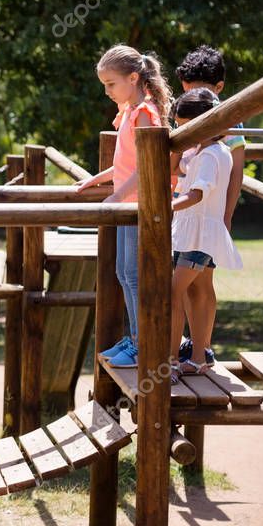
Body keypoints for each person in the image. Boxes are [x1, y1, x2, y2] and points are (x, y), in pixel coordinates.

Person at [76, 45, 173, 367]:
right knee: (123, 272)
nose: (106, 91)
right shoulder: (130, 111)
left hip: (138, 206)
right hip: (127, 203)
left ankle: (143, 343)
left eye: (111, 84)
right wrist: (97, 180)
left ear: (133, 78)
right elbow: (126, 165)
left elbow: (149, 164)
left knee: (133, 275)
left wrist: (118, 196)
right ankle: (135, 338)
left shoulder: (145, 113)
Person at [174, 45, 244, 365]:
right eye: (188, 90)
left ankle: (202, 346)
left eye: (199, 90)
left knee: (200, 282)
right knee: (188, 285)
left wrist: (226, 218)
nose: (192, 94)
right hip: (189, 218)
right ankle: (192, 346)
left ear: (218, 89)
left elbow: (235, 175)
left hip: (208, 216)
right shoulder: (190, 114)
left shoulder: (228, 127)